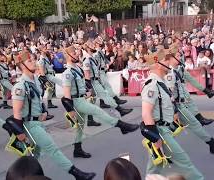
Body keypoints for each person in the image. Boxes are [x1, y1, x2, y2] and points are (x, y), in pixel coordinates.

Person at [8, 51, 96, 180]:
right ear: (21, 66)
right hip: (30, 125)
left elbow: (37, 100)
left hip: (38, 122)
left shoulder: (35, 81)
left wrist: (43, 111)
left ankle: (23, 176)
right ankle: (77, 174)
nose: (34, 62)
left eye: (33, 59)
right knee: (52, 148)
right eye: (29, 61)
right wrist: (19, 132)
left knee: (34, 155)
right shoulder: (20, 86)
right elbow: (17, 112)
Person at [61, 46, 139, 159]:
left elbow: (81, 83)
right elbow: (66, 94)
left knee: (80, 127)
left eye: (76, 51)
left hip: (81, 98)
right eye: (74, 52)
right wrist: (70, 110)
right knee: (97, 111)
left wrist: (87, 91)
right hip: (76, 102)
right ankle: (122, 125)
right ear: (68, 56)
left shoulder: (76, 68)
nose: (77, 54)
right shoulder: (67, 73)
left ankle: (77, 149)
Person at [141, 49, 204, 180]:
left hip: (165, 129)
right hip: (160, 132)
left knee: (154, 167)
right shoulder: (152, 85)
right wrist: (155, 137)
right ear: (158, 64)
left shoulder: (160, 82)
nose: (169, 62)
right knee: (185, 163)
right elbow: (146, 113)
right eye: (165, 60)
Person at [166, 51, 214, 154]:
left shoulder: (176, 69)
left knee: (185, 126)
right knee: (171, 129)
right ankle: (160, 150)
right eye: (178, 56)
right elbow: (169, 94)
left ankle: (213, 145)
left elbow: (184, 84)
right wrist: (174, 111)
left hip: (180, 105)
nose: (180, 57)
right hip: (176, 107)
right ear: (170, 58)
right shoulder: (170, 73)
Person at [82, 41, 132, 115]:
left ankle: (90, 120)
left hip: (95, 80)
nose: (94, 46)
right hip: (93, 81)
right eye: (92, 45)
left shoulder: (91, 57)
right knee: (101, 97)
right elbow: (87, 73)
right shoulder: (87, 59)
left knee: (93, 99)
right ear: (88, 48)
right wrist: (89, 86)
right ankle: (120, 110)